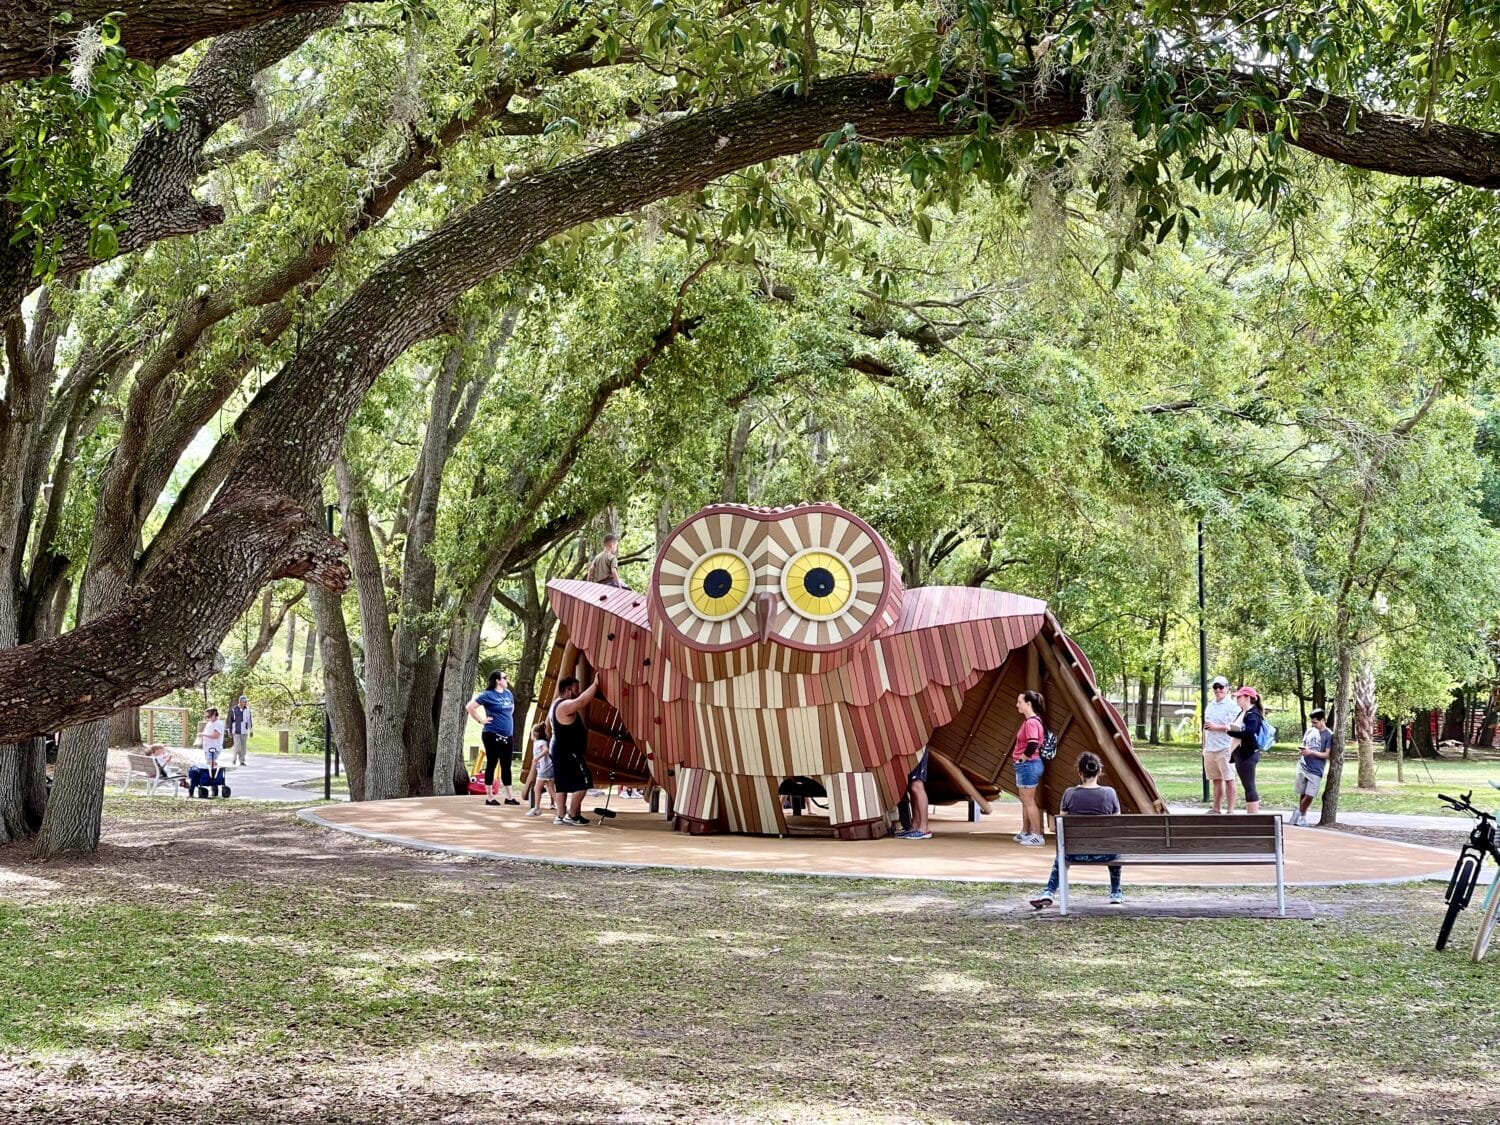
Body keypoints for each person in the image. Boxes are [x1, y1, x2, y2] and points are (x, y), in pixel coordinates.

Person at [1029, 752, 1125, 908]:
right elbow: (1116, 824)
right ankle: (1115, 892)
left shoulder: (1069, 794)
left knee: (1060, 855)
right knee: (1113, 846)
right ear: (1099, 771)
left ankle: (1049, 891)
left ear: (1080, 773)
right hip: (1104, 853)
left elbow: (1061, 825)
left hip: (1075, 853)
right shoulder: (1110, 793)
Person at [550, 675, 600, 825]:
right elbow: (581, 701)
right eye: (576, 690)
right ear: (568, 691)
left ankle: (560, 816)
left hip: (560, 750)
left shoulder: (555, 704)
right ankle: (571, 815)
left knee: (562, 785)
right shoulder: (564, 705)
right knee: (584, 781)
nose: (578, 692)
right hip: (568, 751)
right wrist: (595, 684)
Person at [466, 670, 518, 807]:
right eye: (505, 678)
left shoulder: (508, 694)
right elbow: (470, 707)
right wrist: (481, 720)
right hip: (492, 734)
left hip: (508, 734)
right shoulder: (487, 695)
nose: (507, 680)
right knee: (492, 763)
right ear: (497, 680)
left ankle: (509, 796)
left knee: (506, 765)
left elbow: (511, 709)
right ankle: (489, 797)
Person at [1012, 691, 1048, 846]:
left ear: (1028, 704)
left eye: (1020, 702)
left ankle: (1037, 835)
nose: (1017, 705)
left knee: (1029, 800)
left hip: (1028, 765)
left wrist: (1022, 759)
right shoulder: (1031, 721)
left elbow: (1033, 744)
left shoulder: (1031, 723)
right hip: (1027, 765)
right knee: (1025, 799)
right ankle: (1026, 831)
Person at [1202, 674, 1240, 814]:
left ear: (1227, 688)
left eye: (1221, 687)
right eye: (1215, 687)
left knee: (1229, 779)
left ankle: (1230, 810)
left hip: (1225, 747)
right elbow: (1206, 727)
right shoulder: (1210, 706)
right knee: (1216, 779)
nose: (1218, 690)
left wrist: (1217, 727)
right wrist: (1204, 747)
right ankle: (1216, 808)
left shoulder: (1233, 706)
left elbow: (1236, 727)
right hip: (1210, 748)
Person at [1227, 686, 1266, 815]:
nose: (1237, 699)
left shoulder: (1253, 714)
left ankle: (1253, 816)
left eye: (1239, 697)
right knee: (1247, 786)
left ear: (1247, 698)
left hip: (1248, 755)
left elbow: (1249, 732)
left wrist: (1231, 733)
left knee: (1249, 786)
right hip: (1240, 754)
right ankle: (1250, 815)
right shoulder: (1244, 712)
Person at [1292, 708, 1333, 827]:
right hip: (1303, 766)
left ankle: (1299, 813)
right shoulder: (1310, 731)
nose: (1313, 724)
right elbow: (1304, 744)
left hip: (1316, 770)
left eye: (1315, 722)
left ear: (1322, 721)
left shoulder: (1328, 735)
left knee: (1310, 795)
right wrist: (1303, 750)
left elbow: (1326, 754)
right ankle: (1302, 817)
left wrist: (1311, 753)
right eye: (1312, 722)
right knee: (1303, 793)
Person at [896, 745, 932, 839]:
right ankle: (915, 826)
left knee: (917, 785)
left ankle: (924, 828)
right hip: (908, 747)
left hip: (918, 747)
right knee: (911, 787)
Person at [526, 721, 557, 817]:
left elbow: (546, 750)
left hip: (545, 769)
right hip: (546, 768)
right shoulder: (540, 742)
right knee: (551, 789)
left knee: (537, 788)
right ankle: (561, 807)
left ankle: (536, 808)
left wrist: (537, 758)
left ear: (535, 733)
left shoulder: (540, 742)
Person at [228, 694, 253, 767]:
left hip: (245, 731)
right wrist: (230, 731)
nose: (246, 703)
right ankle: (234, 759)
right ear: (240, 702)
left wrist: (251, 730)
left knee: (243, 747)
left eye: (246, 701)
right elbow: (231, 721)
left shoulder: (247, 709)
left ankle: (242, 761)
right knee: (237, 746)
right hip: (236, 731)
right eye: (245, 701)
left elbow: (249, 720)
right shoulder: (234, 709)